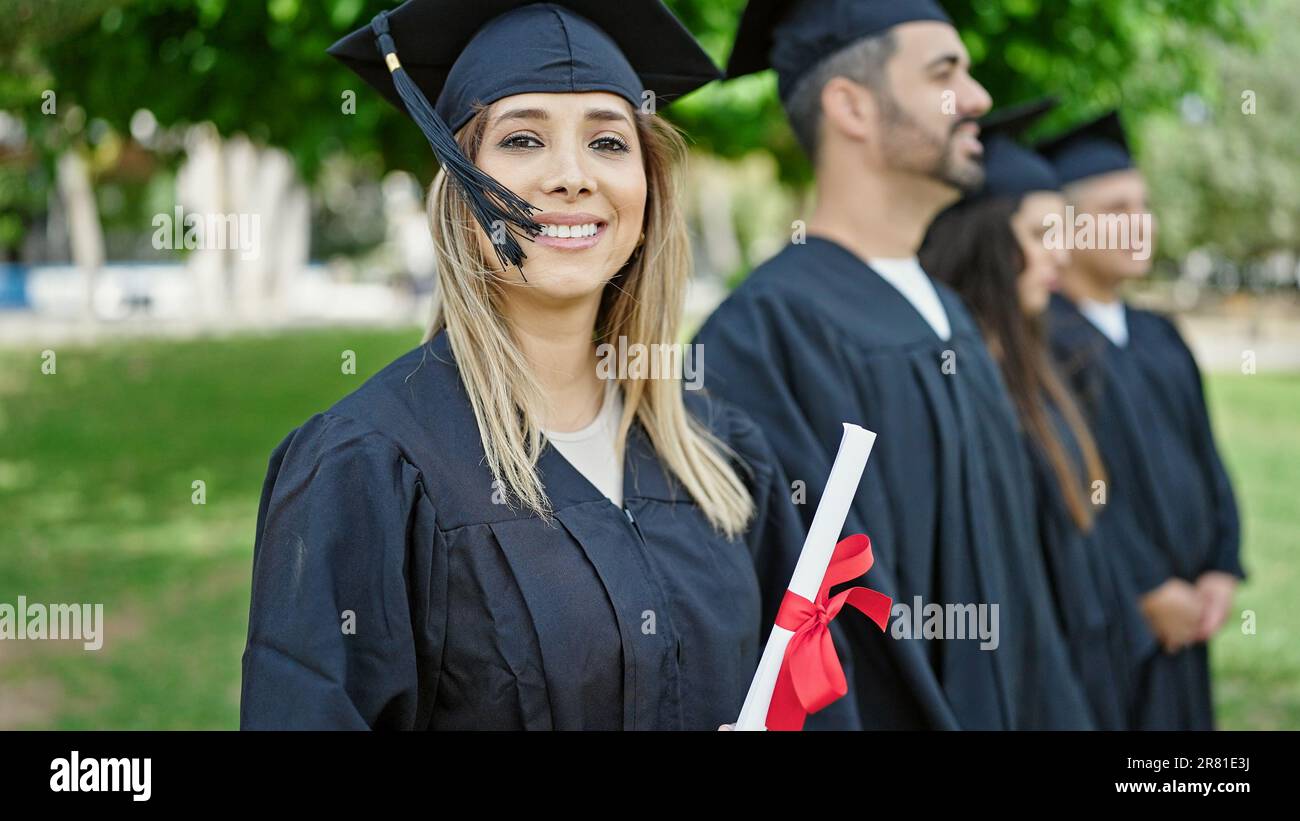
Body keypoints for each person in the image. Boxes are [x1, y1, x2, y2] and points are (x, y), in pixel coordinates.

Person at [240, 0, 856, 731]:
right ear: (458, 181)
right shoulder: (369, 467)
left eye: (608, 142)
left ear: (649, 185)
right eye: (524, 138)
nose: (572, 176)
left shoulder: (723, 461)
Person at [695, 0, 1093, 729]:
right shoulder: (765, 338)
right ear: (851, 105)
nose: (978, 98)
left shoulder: (947, 311)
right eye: (946, 73)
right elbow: (808, 642)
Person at [920, 99, 1156, 729]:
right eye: (1041, 235)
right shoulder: (951, 379)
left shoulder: (1046, 364)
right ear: (991, 242)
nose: (1060, 253)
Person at [1038, 111, 1244, 729]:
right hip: (1108, 623)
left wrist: (1221, 566)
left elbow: (1206, 457)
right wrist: (1148, 589)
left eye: (1144, 206)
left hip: (1191, 618)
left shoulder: (1160, 334)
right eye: (1116, 210)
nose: (1140, 225)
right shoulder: (1042, 347)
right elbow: (1063, 488)